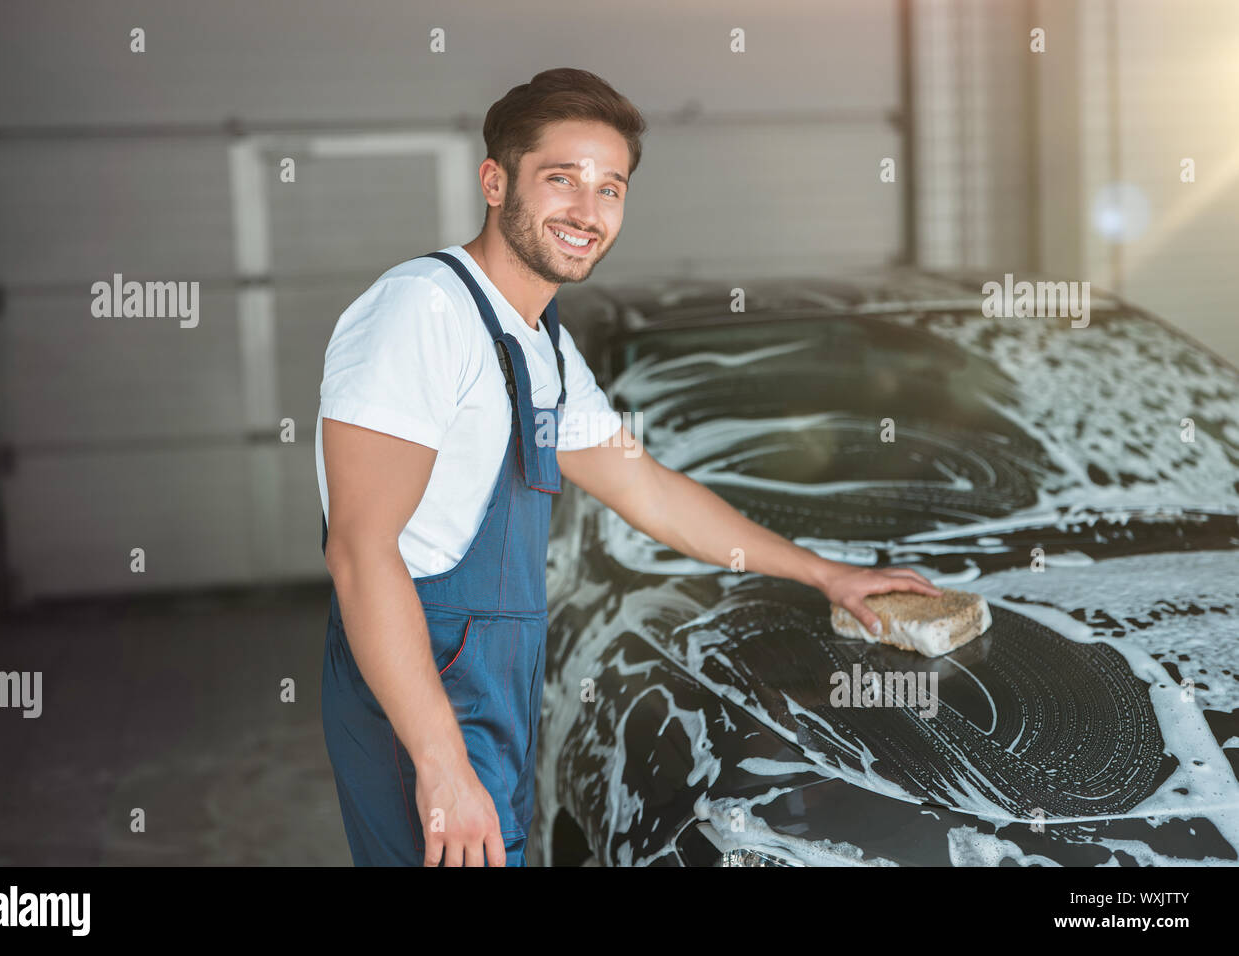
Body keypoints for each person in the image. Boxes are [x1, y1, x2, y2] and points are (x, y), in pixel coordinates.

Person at [315, 67, 940, 867]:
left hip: (486, 686)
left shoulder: (537, 341)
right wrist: (441, 763)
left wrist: (825, 575)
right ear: (495, 181)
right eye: (562, 180)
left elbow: (647, 489)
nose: (588, 210)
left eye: (610, 188)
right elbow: (361, 553)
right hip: (422, 686)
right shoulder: (422, 311)